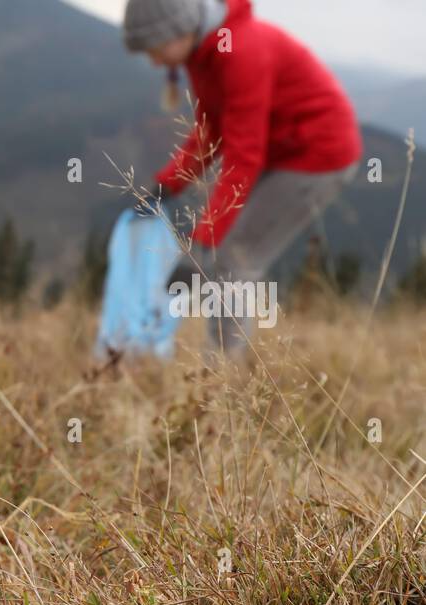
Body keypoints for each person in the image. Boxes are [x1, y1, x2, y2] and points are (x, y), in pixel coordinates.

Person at [123, 0, 362, 353]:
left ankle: (223, 381)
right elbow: (210, 131)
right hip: (280, 151)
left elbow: (243, 158)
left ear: (179, 29)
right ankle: (221, 369)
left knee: (236, 260)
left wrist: (200, 245)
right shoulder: (204, 54)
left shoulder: (240, 52)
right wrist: (165, 186)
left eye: (155, 48)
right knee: (232, 255)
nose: (154, 61)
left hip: (317, 156)